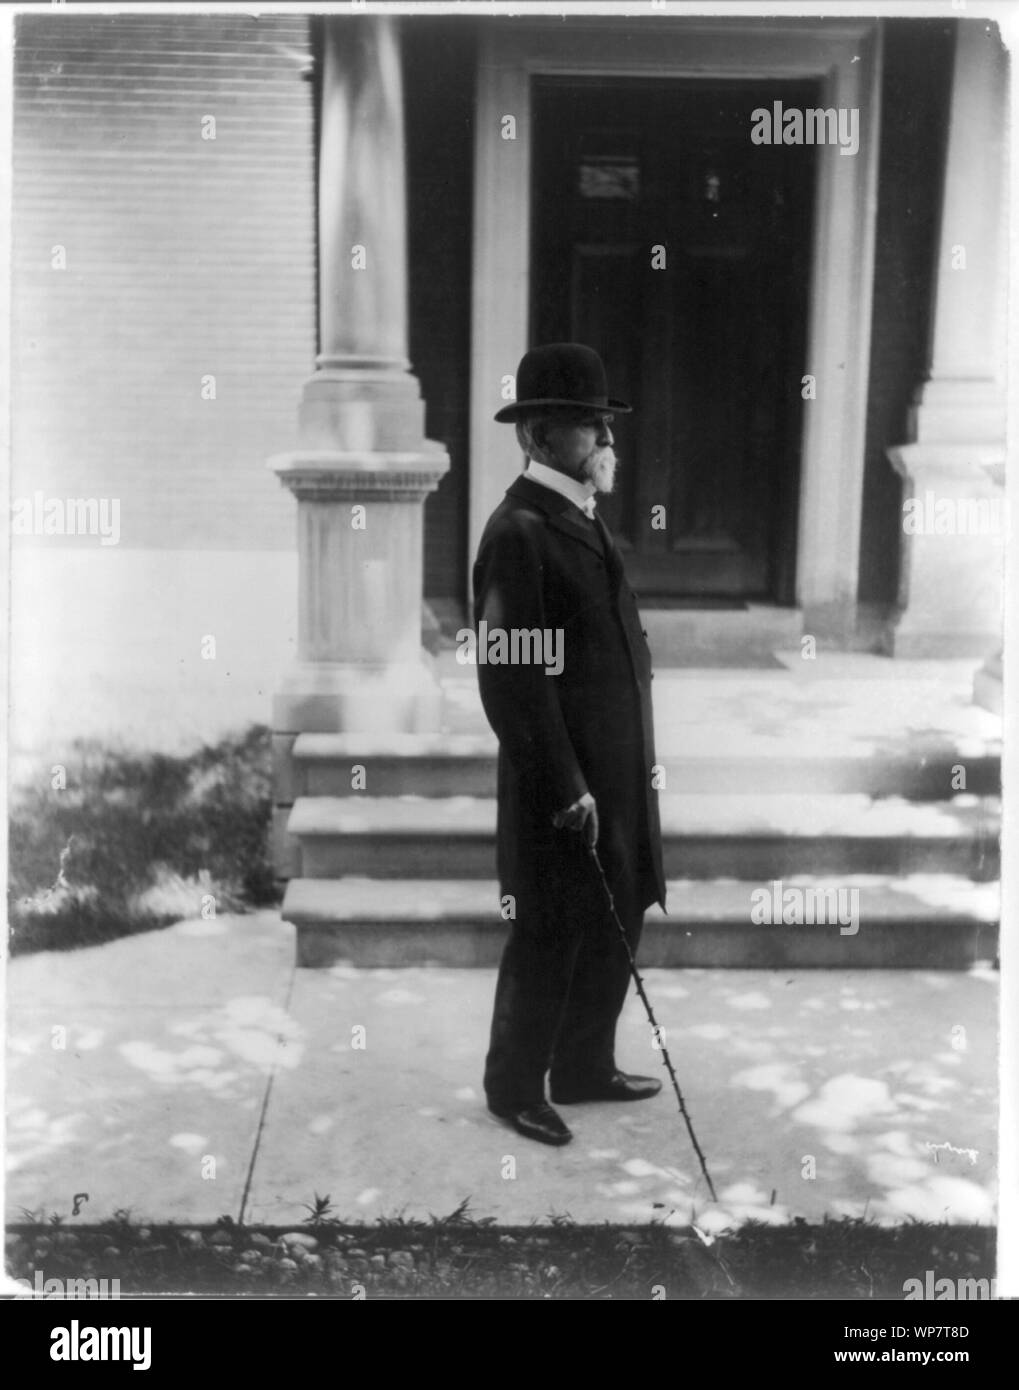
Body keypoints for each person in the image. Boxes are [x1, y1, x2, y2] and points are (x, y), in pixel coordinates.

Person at [473, 342, 667, 1147]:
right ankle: (514, 1085)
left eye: (605, 427)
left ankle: (582, 1065)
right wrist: (563, 787)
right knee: (549, 930)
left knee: (616, 914)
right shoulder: (520, 530)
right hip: (564, 787)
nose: (607, 444)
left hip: (615, 775)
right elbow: (510, 678)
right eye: (591, 429)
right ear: (539, 438)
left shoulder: (578, 517)